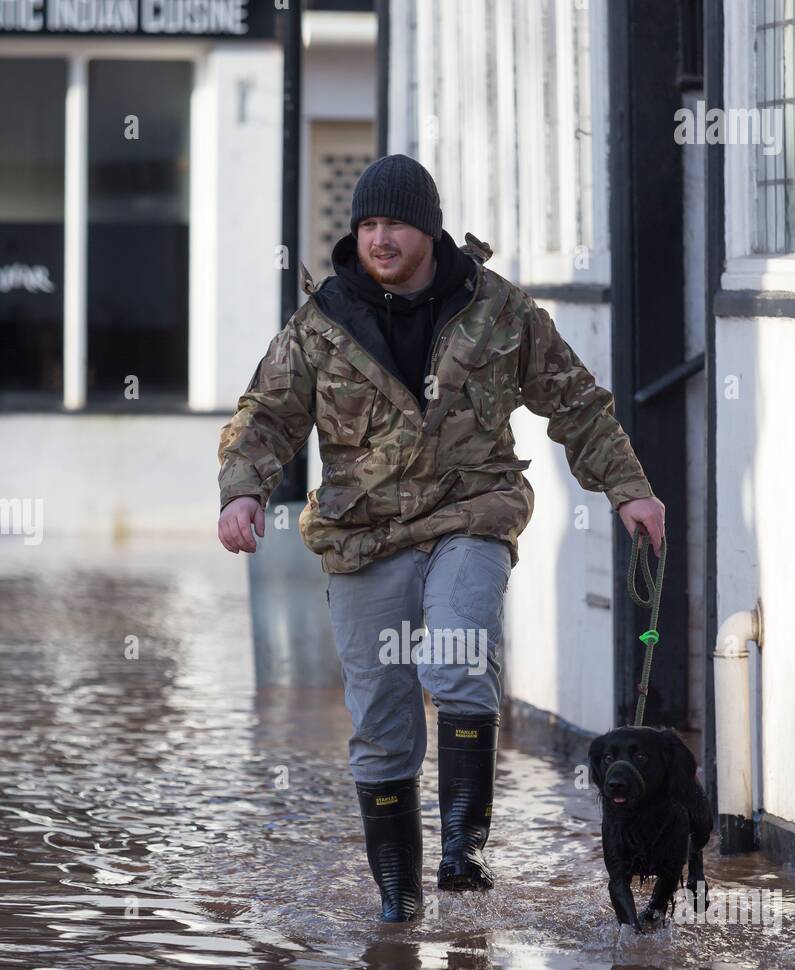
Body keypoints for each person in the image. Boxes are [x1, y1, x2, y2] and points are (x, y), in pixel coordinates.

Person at [217, 154, 665, 923]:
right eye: (367, 225)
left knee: (457, 659)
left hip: (471, 516)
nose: (380, 239)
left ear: (427, 227)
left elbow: (577, 404)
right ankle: (398, 904)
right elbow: (266, 417)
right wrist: (242, 493)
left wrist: (629, 491)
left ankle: (464, 849)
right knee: (383, 730)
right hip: (363, 537)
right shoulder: (321, 323)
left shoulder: (495, 310)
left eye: (394, 223)